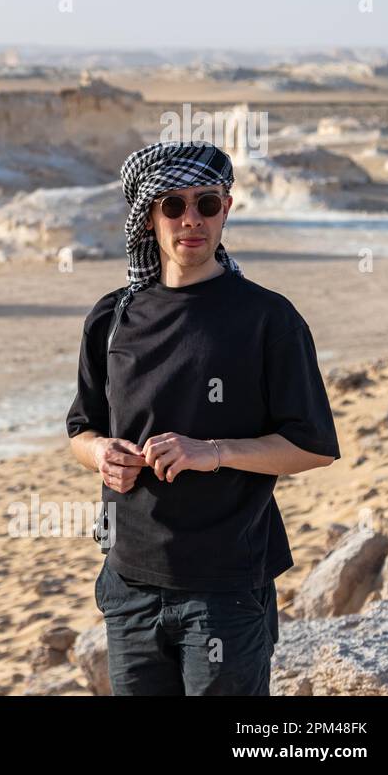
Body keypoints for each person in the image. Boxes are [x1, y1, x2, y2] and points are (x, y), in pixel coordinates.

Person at [66, 140, 341, 695]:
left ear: (226, 209)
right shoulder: (113, 317)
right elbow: (81, 428)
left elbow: (313, 446)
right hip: (128, 582)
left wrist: (212, 451)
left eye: (206, 204)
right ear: (148, 216)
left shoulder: (268, 318)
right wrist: (100, 454)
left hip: (226, 588)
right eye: (173, 205)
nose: (191, 219)